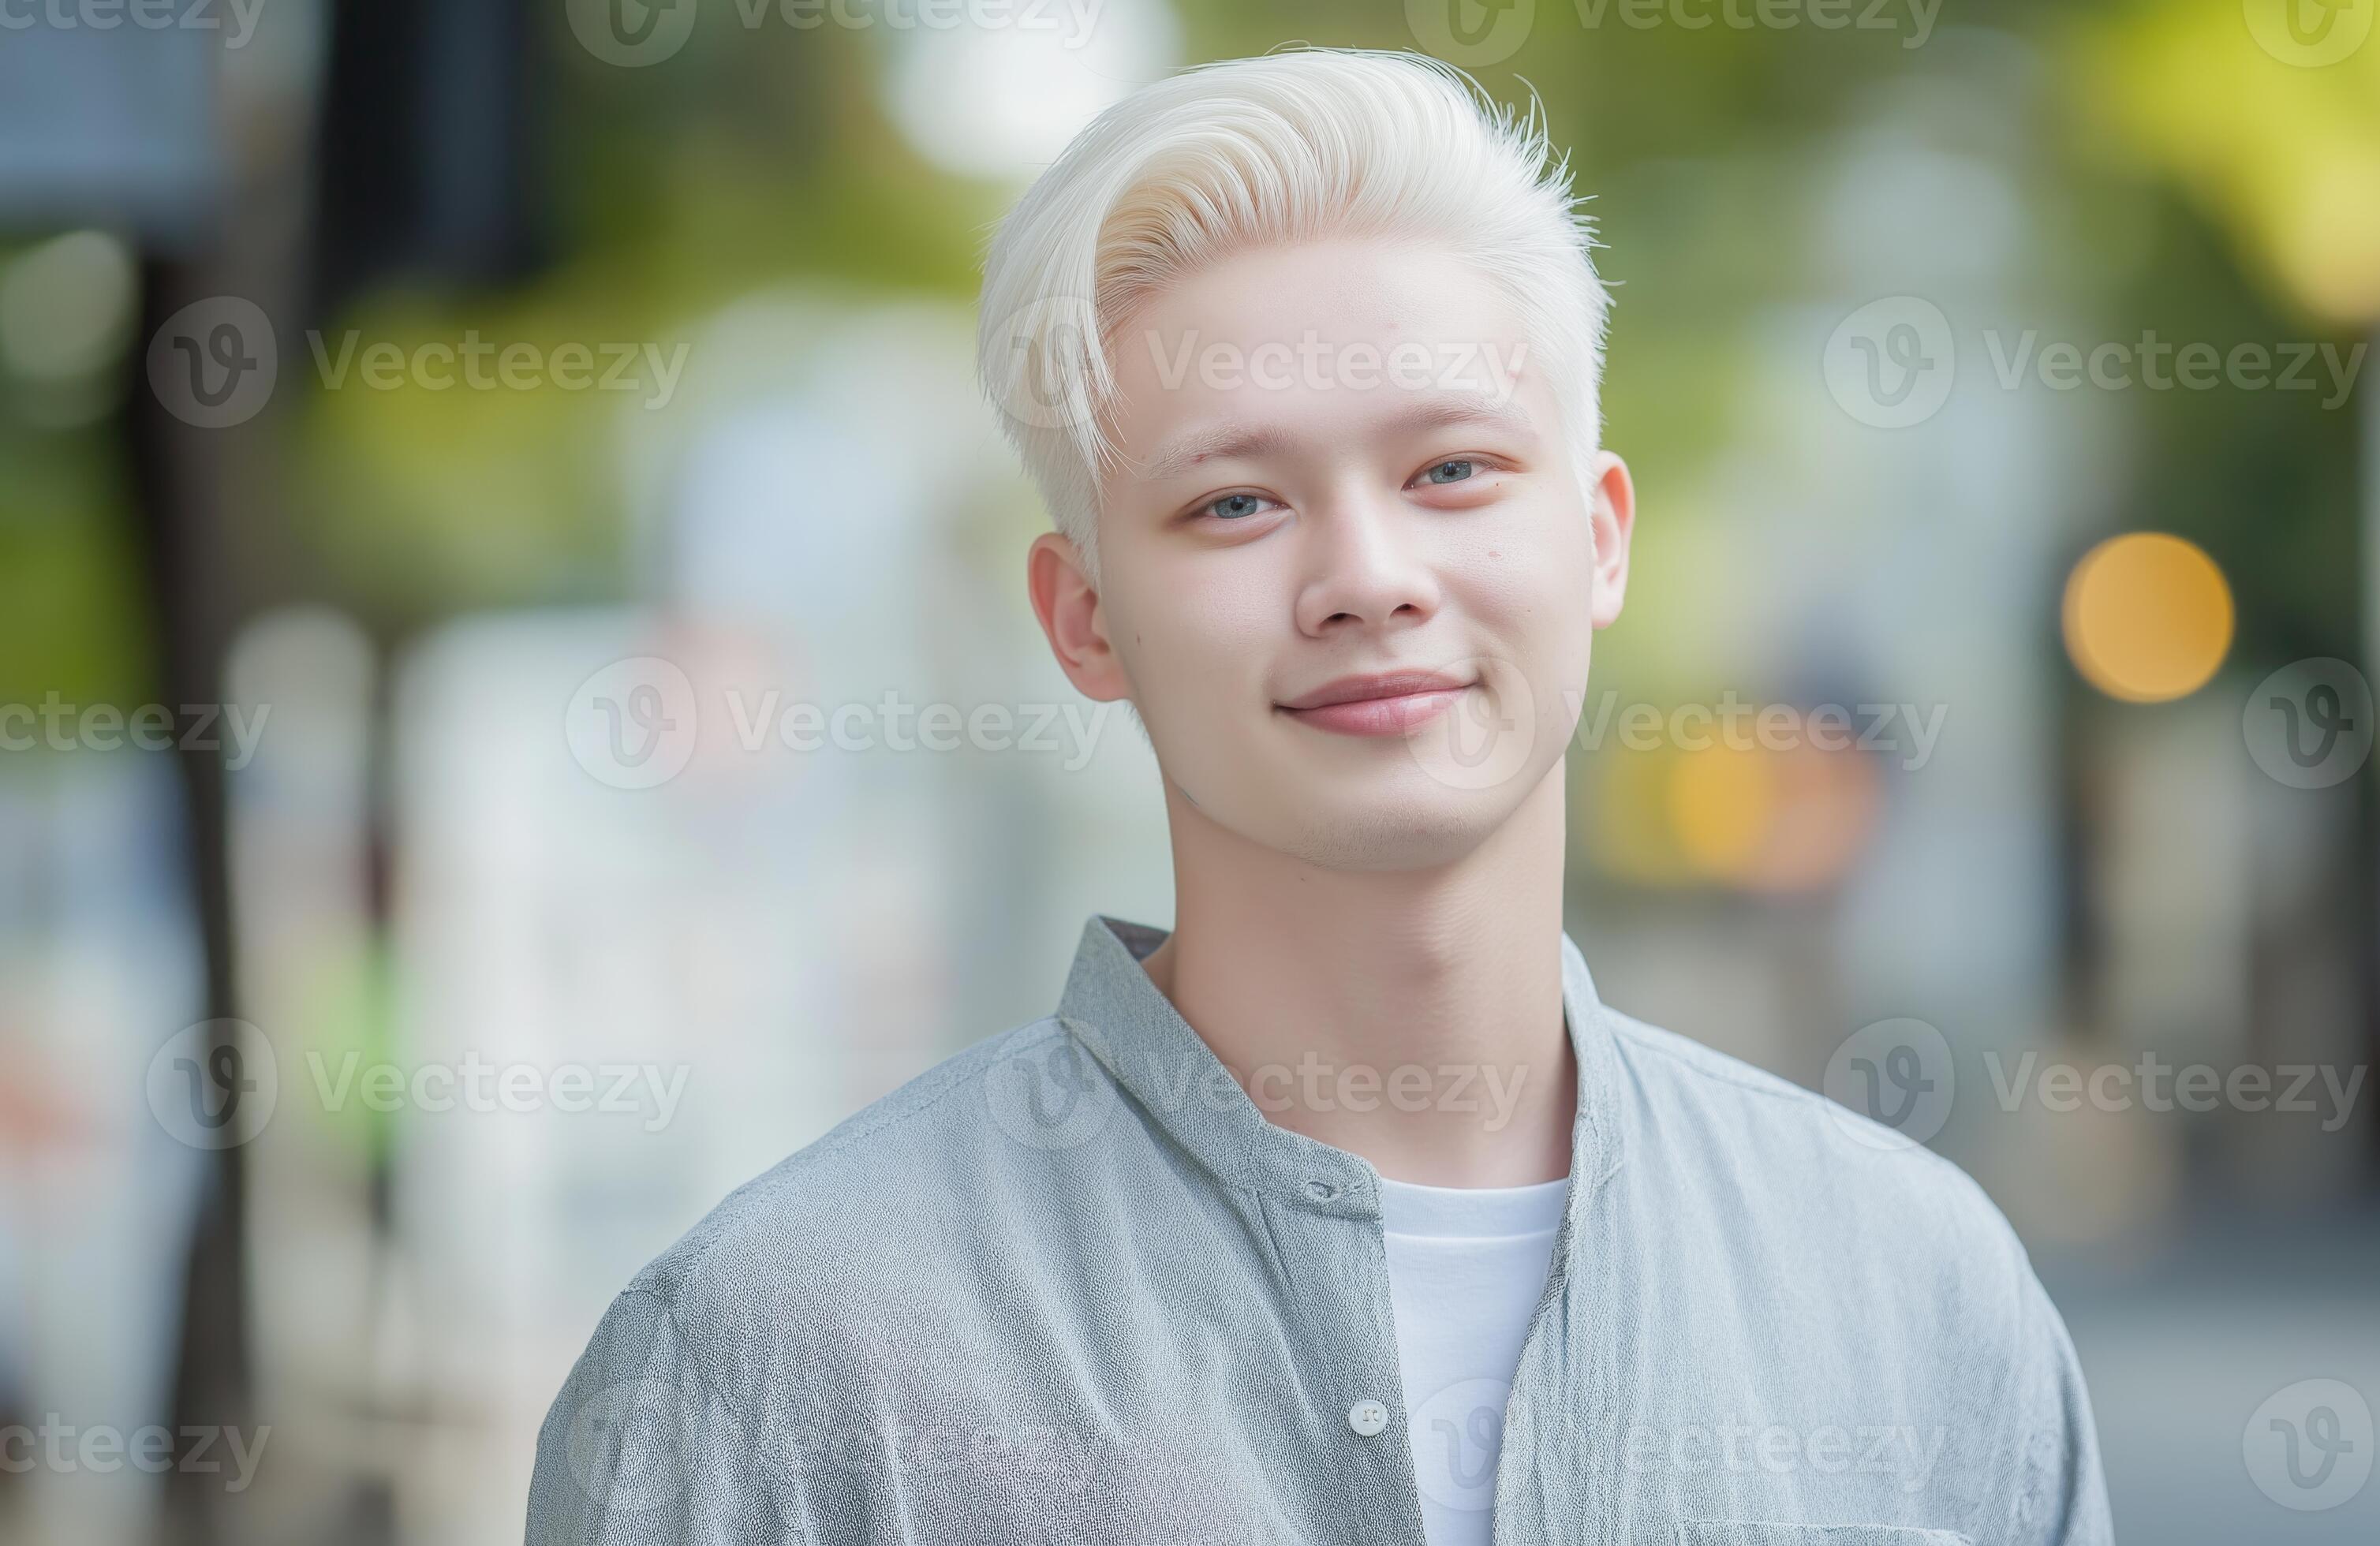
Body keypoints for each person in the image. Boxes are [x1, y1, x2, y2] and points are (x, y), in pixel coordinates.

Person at [528, 46, 2111, 1545]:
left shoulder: (1917, 1290)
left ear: (1601, 534)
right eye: (1235, 501)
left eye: (1453, 472)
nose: (1367, 576)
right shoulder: (770, 1364)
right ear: (1083, 618)